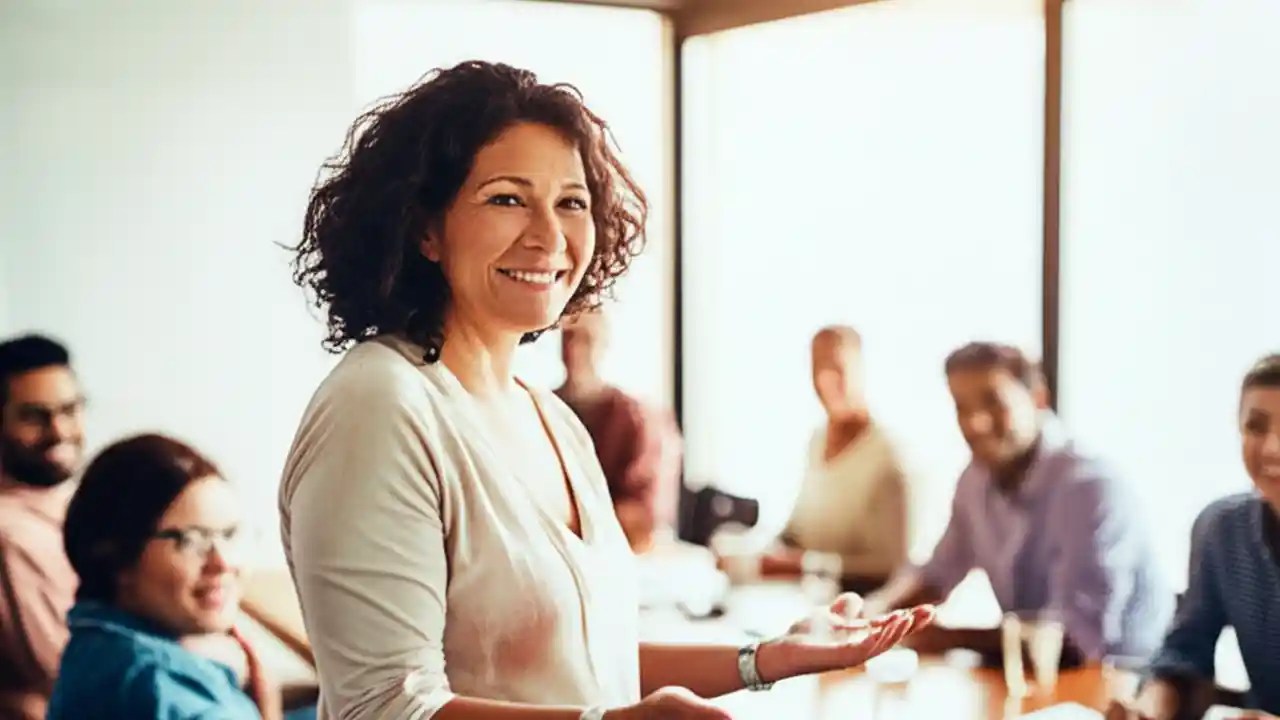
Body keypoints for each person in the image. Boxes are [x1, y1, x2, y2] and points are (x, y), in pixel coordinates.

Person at [281, 60, 935, 720]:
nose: (548, 236)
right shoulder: (380, 404)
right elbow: (386, 707)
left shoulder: (553, 420)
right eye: (507, 198)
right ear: (424, 228)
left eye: (571, 202)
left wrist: (765, 657)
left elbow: (595, 654)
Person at [862, 342, 1172, 664]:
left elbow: (1075, 640)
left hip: (1118, 684)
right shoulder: (976, 478)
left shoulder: (1090, 487)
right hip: (1029, 681)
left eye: (993, 402)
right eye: (961, 407)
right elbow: (936, 576)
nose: (975, 423)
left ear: (1038, 398)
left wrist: (947, 638)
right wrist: (873, 614)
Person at [46, 433, 294, 720]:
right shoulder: (157, 686)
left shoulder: (98, 635)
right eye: (190, 541)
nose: (223, 562)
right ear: (117, 556)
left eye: (230, 534)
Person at [1107, 354, 1280, 720]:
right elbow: (1187, 648)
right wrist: (1152, 705)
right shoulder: (1222, 530)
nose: (1272, 449)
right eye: (1256, 427)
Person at [750, 326, 909, 592]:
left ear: (861, 370)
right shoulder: (817, 441)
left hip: (862, 612)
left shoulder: (891, 457)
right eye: (818, 368)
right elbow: (797, 532)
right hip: (808, 603)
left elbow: (893, 566)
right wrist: (751, 555)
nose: (825, 380)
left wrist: (805, 565)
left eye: (837, 368)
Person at [0, 334, 84, 720]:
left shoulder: (64, 501)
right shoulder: (13, 536)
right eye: (35, 416)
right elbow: (72, 675)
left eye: (70, 409)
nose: (59, 431)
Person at [555, 310, 682, 553]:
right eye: (568, 337)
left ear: (604, 345)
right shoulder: (539, 409)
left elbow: (642, 519)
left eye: (586, 339)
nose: (574, 350)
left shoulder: (636, 420)